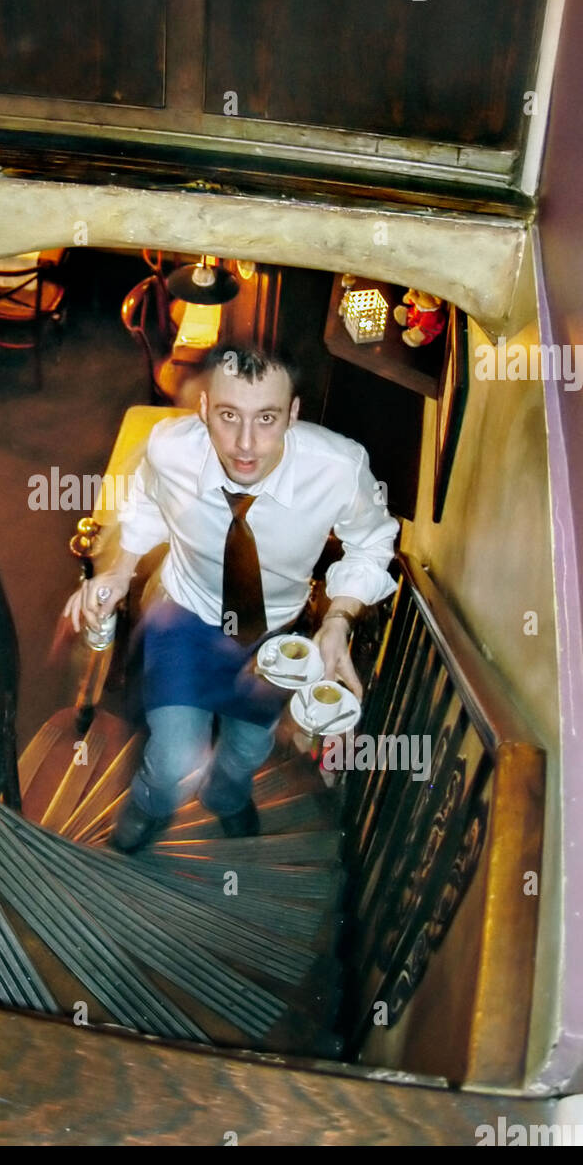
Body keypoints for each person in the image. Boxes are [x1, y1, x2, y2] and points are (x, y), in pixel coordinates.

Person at [62, 341, 399, 852]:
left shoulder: (339, 467)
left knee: (249, 746)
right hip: (183, 616)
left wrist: (338, 620)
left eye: (266, 418)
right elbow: (148, 502)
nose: (245, 443)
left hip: (276, 635)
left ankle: (226, 794)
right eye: (227, 416)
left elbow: (373, 542)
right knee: (175, 756)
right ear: (203, 410)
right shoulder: (169, 447)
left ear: (294, 413)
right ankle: (151, 804)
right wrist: (121, 570)